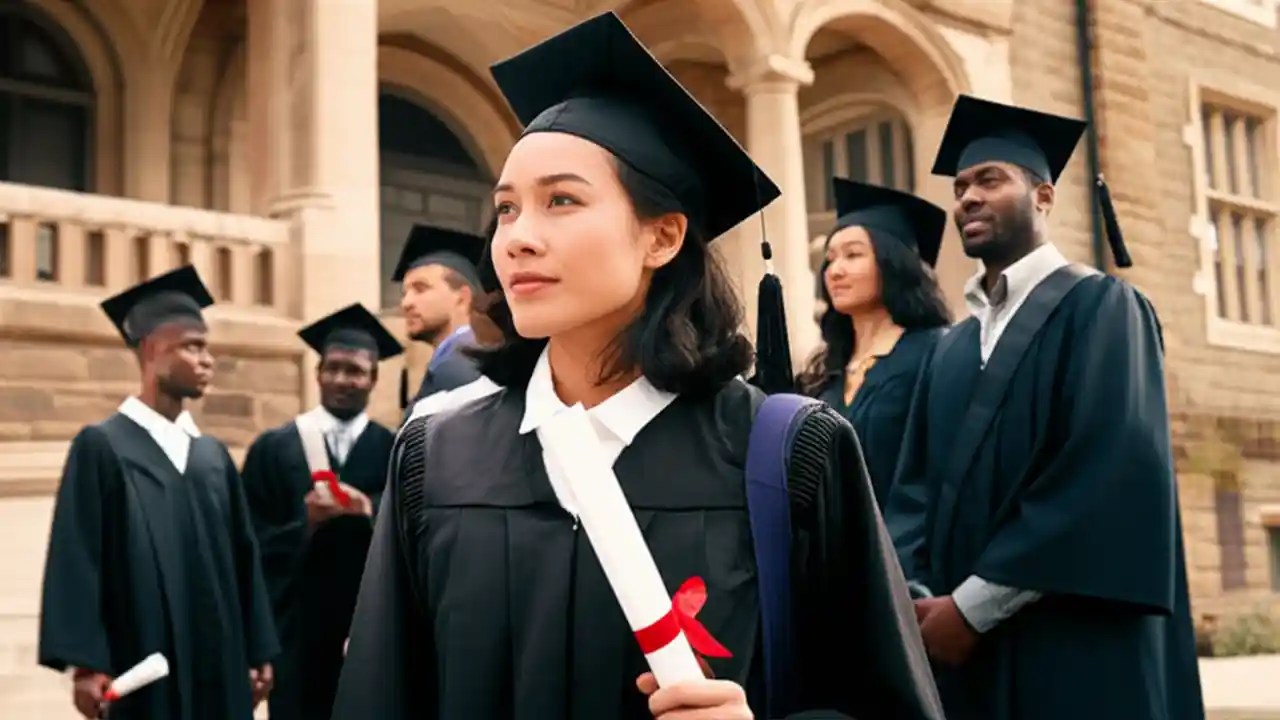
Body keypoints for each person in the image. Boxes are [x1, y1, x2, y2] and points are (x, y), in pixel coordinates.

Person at [331, 12, 942, 720]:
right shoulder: (436, 457)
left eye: (561, 200)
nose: (517, 238)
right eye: (506, 209)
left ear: (662, 237)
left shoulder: (787, 454)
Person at [884, 94, 1204, 719]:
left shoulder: (1102, 308)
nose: (968, 198)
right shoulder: (950, 348)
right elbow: (912, 489)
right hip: (955, 654)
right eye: (960, 187)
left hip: (1068, 643)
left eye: (990, 180)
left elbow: (1104, 472)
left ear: (1044, 196)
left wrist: (972, 608)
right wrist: (917, 597)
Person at [37, 265, 279, 720]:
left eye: (206, 347)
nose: (207, 360)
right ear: (150, 350)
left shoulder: (212, 455)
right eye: (192, 346)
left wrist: (258, 647)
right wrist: (86, 664)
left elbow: (244, 560)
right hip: (144, 667)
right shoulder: (103, 446)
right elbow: (78, 556)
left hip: (221, 662)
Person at [240, 303, 402, 720]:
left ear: (373, 378)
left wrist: (369, 509)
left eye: (355, 371)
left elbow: (414, 531)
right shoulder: (274, 448)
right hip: (295, 630)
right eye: (333, 368)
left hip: (365, 629)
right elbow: (247, 540)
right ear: (317, 373)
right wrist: (304, 524)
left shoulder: (395, 449)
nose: (342, 380)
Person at [796, 178, 951, 506]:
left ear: (893, 263)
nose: (835, 270)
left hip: (905, 534)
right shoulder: (826, 370)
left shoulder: (935, 353)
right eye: (830, 258)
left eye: (853, 255)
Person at [394, 224, 488, 415]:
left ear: (462, 297)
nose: (406, 303)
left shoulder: (465, 368)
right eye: (404, 293)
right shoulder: (450, 363)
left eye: (420, 289)